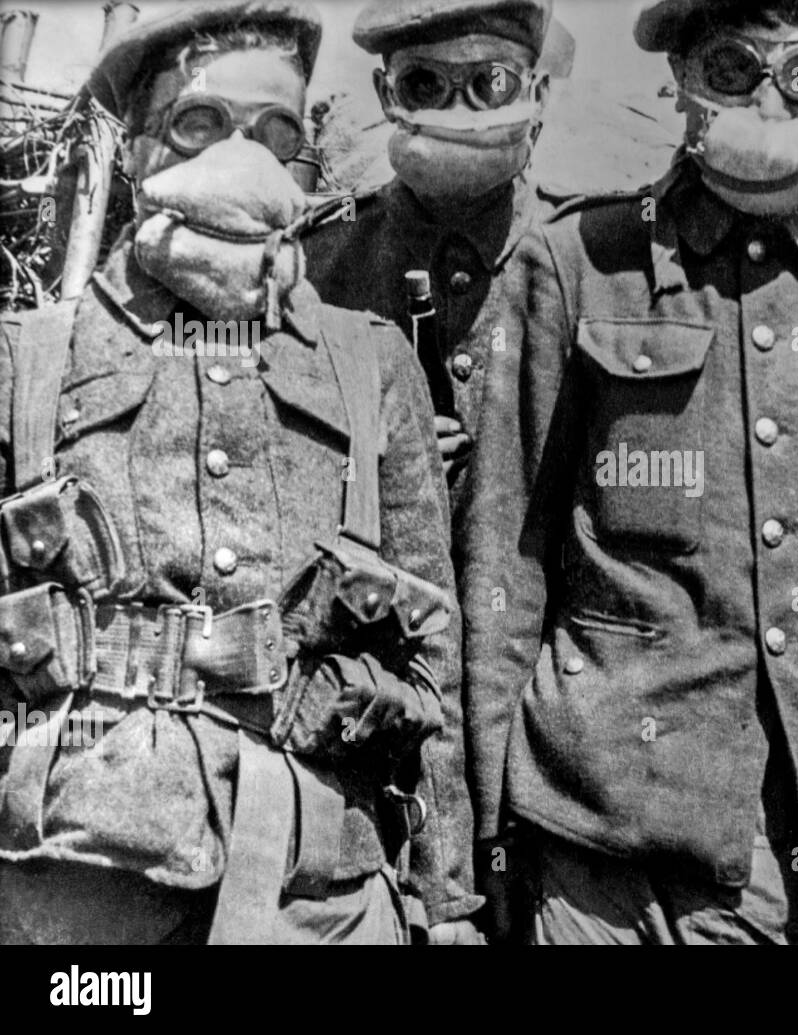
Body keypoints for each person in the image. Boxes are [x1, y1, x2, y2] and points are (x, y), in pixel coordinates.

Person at [461, 0, 798, 945]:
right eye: (731, 65)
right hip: (613, 838)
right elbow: (505, 568)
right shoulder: (577, 265)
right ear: (679, 80)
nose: (768, 92)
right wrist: (486, 834)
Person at [0, 0, 478, 945]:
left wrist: (445, 896)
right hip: (82, 881)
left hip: (319, 888)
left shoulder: (368, 359)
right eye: (200, 124)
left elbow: (433, 652)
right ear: (136, 151)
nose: (242, 156)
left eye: (276, 132)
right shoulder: (27, 361)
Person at [304, 0, 566, 513]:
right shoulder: (319, 266)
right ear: (385, 95)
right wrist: (360, 471)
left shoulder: (583, 265)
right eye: (424, 84)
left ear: (537, 95)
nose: (458, 112)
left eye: (491, 83)